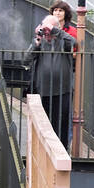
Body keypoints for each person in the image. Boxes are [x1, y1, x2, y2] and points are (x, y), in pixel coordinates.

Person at [29, 14, 74, 145]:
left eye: (50, 29)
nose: (47, 33)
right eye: (45, 28)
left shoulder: (64, 42)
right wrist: (36, 43)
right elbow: (26, 59)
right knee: (42, 126)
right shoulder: (39, 42)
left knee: (61, 126)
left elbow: (74, 42)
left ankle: (62, 153)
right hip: (42, 91)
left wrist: (56, 31)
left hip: (62, 91)